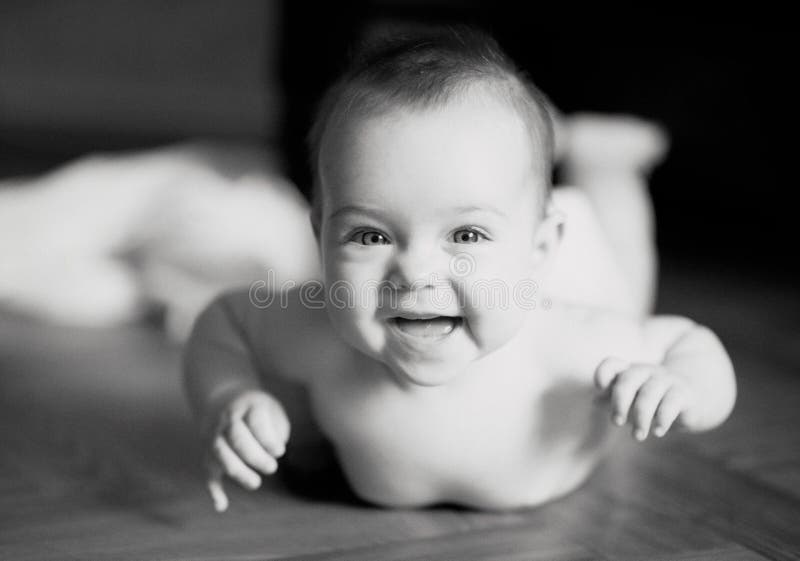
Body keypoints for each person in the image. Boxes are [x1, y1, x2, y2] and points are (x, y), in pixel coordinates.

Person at [183, 26, 736, 512]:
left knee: (624, 263)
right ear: (320, 237)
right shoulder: (317, 336)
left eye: (465, 234)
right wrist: (226, 398)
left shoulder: (573, 348)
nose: (415, 271)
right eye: (370, 235)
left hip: (564, 287)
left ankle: (605, 164)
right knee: (506, 199)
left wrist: (679, 388)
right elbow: (223, 324)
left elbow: (688, 342)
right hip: (497, 272)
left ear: (543, 249)